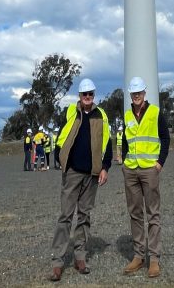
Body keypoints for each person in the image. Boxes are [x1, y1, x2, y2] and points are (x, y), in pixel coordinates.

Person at [49, 78, 112, 282]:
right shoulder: (70, 112)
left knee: (84, 216)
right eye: (84, 94)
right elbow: (60, 137)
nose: (88, 97)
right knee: (65, 216)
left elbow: (107, 143)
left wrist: (105, 167)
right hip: (73, 172)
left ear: (94, 95)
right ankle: (58, 262)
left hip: (92, 173)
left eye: (91, 94)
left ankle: (80, 257)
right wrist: (60, 159)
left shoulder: (101, 115)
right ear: (79, 96)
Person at [122, 76, 170, 279]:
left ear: (144, 93)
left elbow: (166, 138)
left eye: (139, 93)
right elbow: (125, 139)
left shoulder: (155, 113)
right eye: (133, 93)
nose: (136, 96)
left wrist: (159, 163)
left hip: (150, 169)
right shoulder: (127, 115)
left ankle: (154, 258)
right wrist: (124, 161)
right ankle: (139, 255)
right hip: (131, 169)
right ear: (130, 95)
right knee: (134, 213)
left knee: (153, 214)